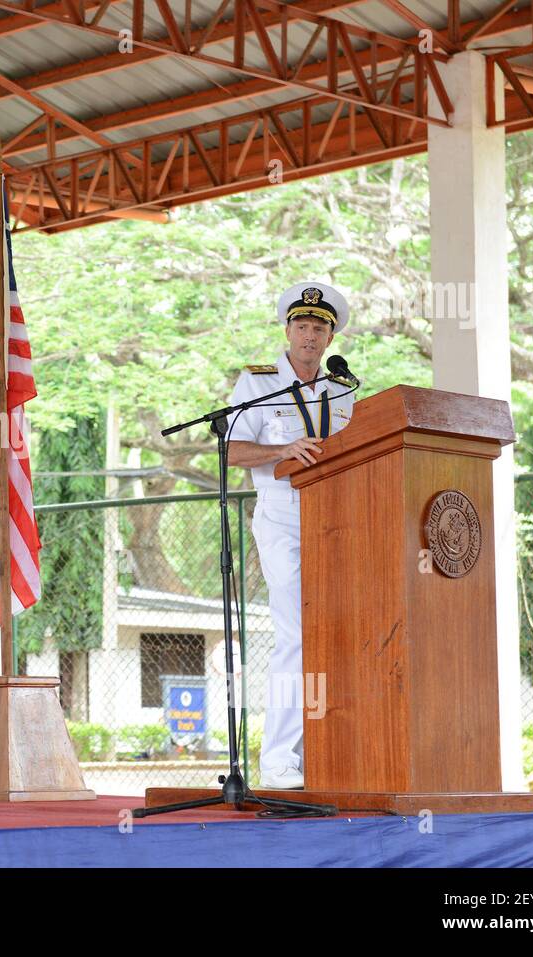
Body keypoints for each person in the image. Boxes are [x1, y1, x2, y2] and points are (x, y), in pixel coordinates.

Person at [226, 282, 357, 790]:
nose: (309, 335)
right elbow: (233, 451)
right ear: (287, 331)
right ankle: (279, 758)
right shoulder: (258, 383)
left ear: (330, 338)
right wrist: (280, 453)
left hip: (341, 518)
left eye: (319, 327)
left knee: (338, 635)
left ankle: (330, 750)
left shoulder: (343, 390)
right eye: (301, 325)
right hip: (283, 516)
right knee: (297, 634)